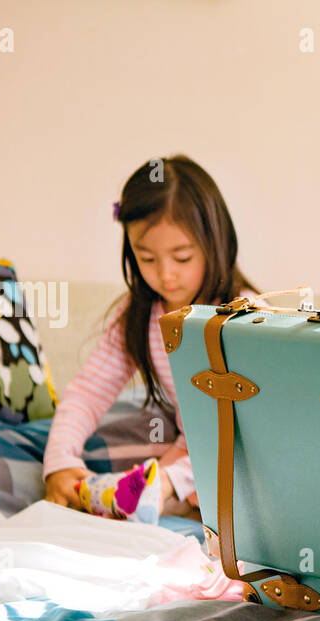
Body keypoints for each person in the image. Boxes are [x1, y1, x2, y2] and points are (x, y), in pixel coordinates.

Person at [42, 155, 261, 518]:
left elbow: (250, 435)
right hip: (192, 457)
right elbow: (87, 392)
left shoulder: (244, 320)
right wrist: (60, 459)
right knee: (118, 503)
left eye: (182, 257)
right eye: (146, 259)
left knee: (168, 496)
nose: (165, 276)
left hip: (249, 460)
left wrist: (173, 480)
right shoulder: (140, 315)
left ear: (215, 243)